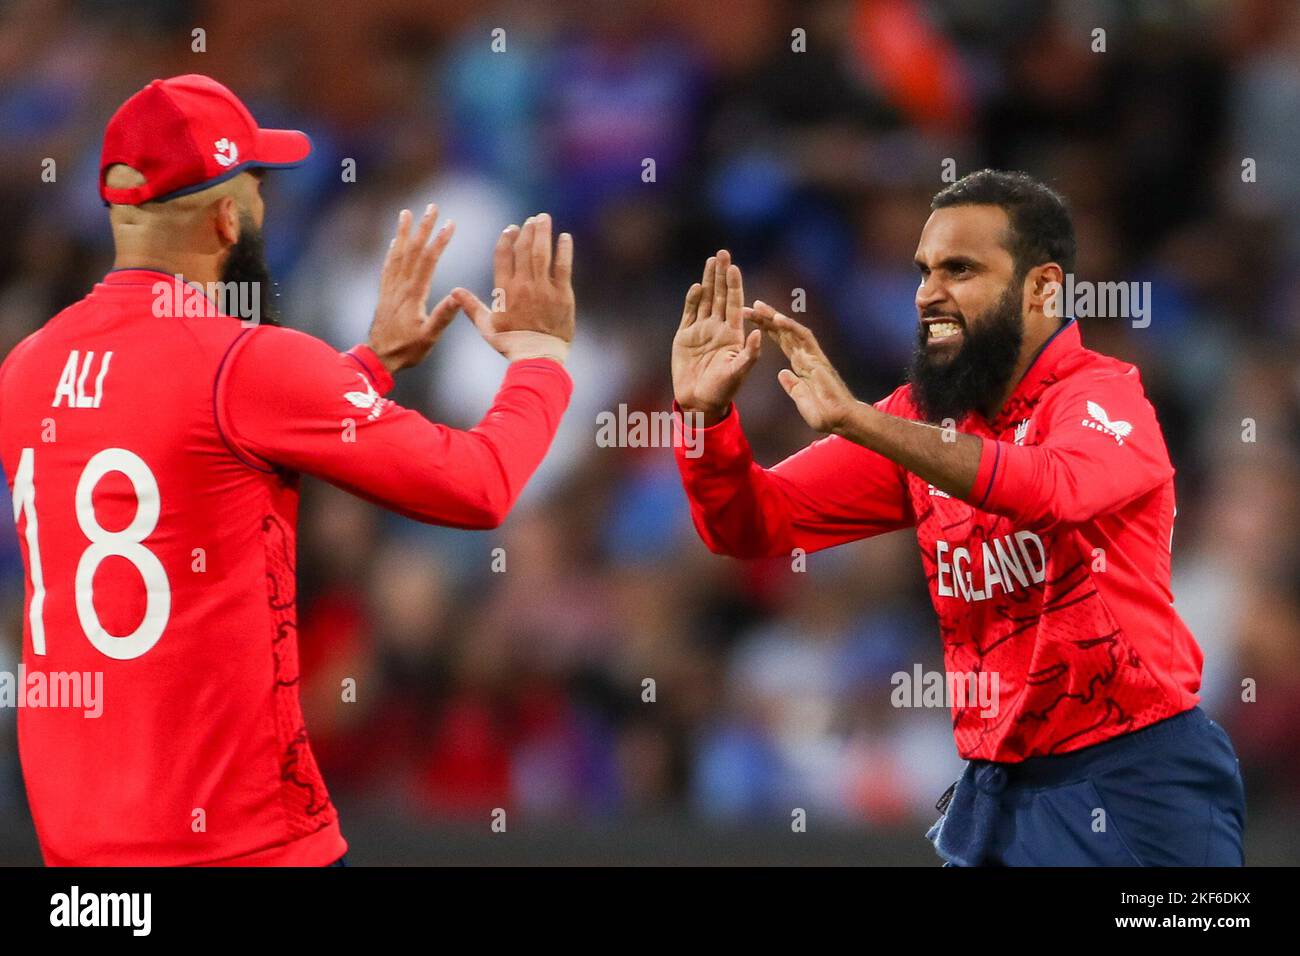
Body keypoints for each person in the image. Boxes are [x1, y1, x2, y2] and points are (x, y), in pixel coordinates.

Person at [0, 74, 576, 866]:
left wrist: (364, 368)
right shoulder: (248, 361)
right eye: (259, 189)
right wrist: (542, 364)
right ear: (229, 217)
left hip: (81, 862)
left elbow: (186, 444)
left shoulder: (28, 365)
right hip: (242, 846)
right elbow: (478, 485)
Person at [671, 169, 1245, 866]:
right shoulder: (918, 420)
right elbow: (750, 526)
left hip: (1135, 785)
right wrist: (706, 421)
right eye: (924, 270)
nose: (927, 293)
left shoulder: (1105, 397)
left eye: (960, 269)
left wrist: (859, 421)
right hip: (998, 792)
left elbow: (1055, 489)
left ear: (1041, 287)